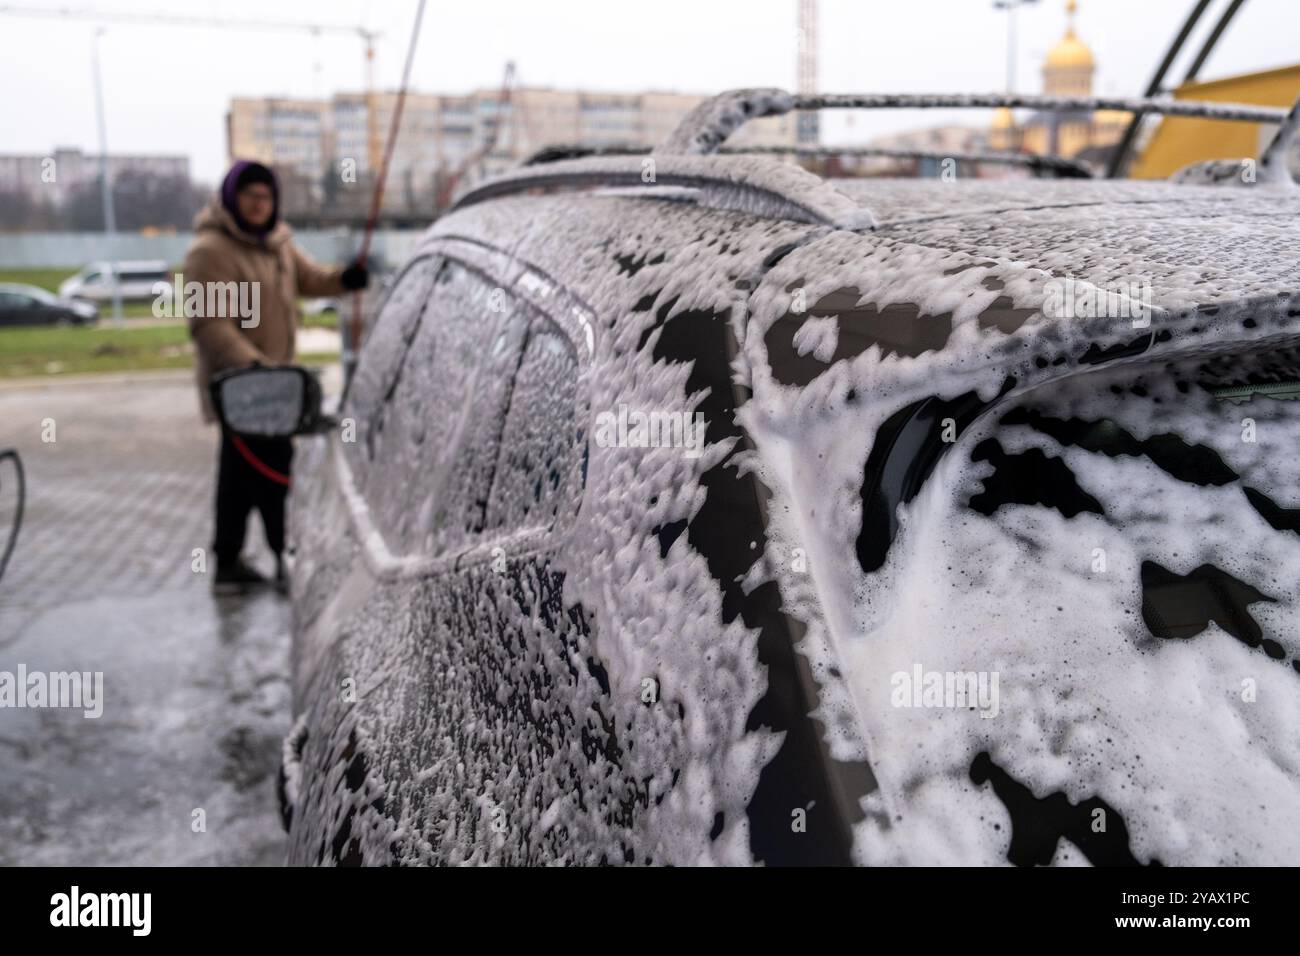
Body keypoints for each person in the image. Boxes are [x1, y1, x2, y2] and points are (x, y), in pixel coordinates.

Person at [184, 160, 368, 593]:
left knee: (240, 476)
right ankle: (286, 558)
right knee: (270, 474)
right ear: (232, 197)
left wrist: (346, 279)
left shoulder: (278, 243)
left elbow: (312, 279)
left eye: (265, 196)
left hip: (274, 388)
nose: (258, 203)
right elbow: (209, 325)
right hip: (241, 389)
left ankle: (230, 562)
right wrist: (258, 373)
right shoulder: (209, 252)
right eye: (250, 194)